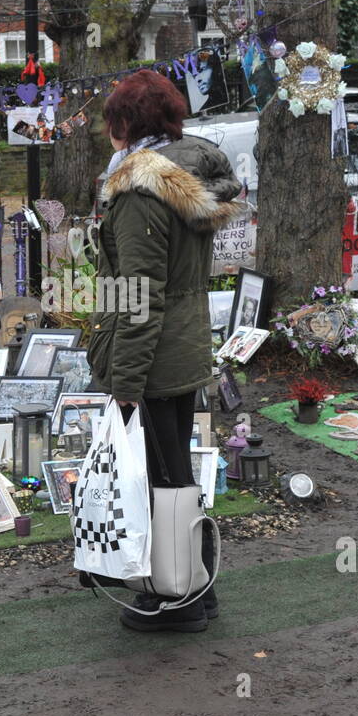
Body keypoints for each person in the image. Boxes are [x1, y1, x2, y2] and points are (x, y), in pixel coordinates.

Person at [87, 68, 241, 633]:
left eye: (112, 120)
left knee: (161, 478)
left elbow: (138, 296)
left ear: (125, 124)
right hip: (182, 345)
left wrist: (124, 383)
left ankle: (177, 600)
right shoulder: (189, 174)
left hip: (152, 354)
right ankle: (195, 582)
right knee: (174, 471)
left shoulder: (139, 189)